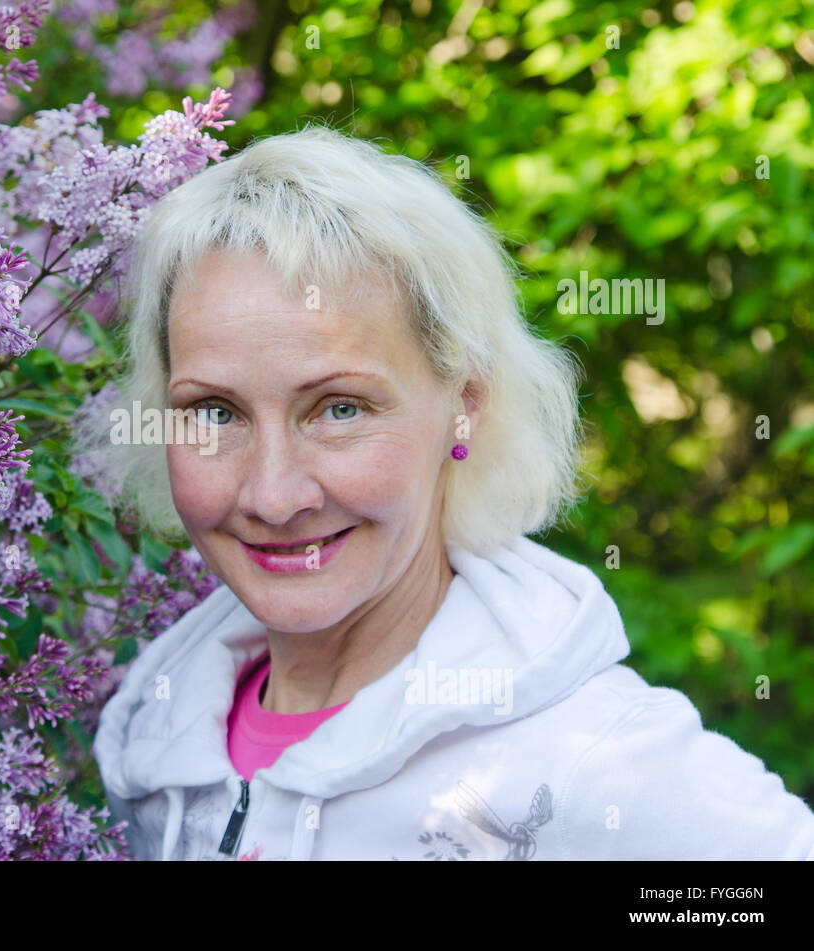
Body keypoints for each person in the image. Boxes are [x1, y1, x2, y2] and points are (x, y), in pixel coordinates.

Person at [77, 123, 814, 860]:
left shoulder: (585, 757)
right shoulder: (154, 736)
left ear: (464, 404)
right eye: (216, 412)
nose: (273, 495)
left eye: (339, 408)